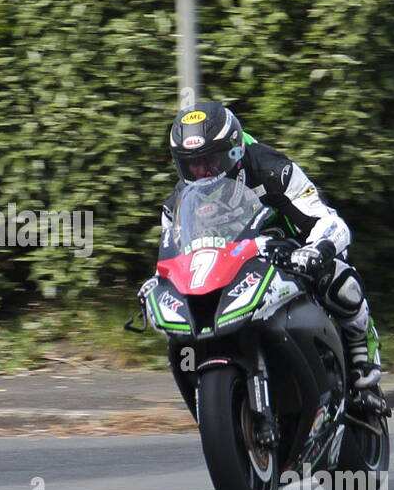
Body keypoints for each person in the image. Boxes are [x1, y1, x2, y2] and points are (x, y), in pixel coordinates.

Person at [160, 101, 382, 393]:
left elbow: (329, 220)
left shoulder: (274, 170)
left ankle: (361, 345)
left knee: (339, 277)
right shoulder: (176, 203)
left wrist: (317, 250)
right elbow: (173, 254)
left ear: (234, 152)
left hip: (293, 252)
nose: (202, 172)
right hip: (231, 266)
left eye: (210, 161)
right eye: (192, 163)